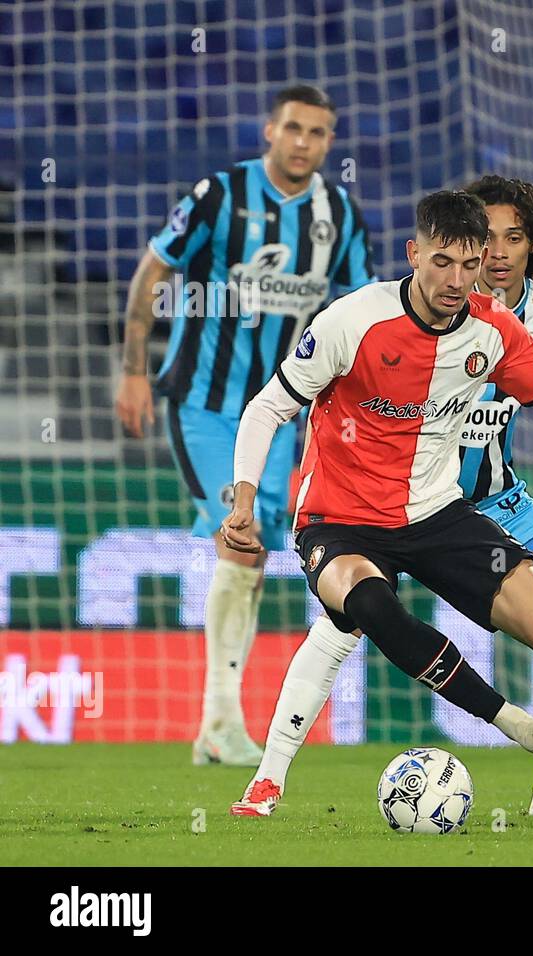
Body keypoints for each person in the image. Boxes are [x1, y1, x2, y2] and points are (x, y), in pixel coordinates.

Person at [225, 190, 533, 832]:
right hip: (337, 520)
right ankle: (508, 721)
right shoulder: (354, 320)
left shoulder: (494, 330)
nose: (458, 280)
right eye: (442, 262)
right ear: (414, 253)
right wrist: (245, 500)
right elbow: (268, 407)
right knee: (363, 606)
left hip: (435, 514)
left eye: (470, 264)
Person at [114, 84, 375, 765]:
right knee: (243, 541)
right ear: (269, 130)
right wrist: (135, 368)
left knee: (251, 555)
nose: (303, 142)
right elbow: (152, 272)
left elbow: (357, 317)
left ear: (328, 142)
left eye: (318, 133)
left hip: (281, 413)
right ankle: (221, 725)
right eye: (293, 128)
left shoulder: (339, 215)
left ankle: (217, 728)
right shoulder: (218, 195)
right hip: (201, 402)